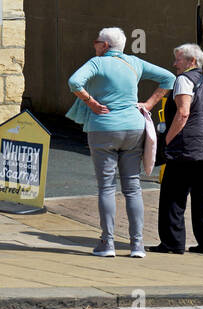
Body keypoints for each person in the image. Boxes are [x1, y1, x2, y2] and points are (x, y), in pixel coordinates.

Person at [67, 27, 175, 258]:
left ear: (105, 45)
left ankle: (108, 244)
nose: (94, 45)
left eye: (97, 42)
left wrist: (91, 102)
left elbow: (74, 82)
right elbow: (169, 78)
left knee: (106, 187)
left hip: (104, 128)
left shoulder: (96, 63)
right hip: (134, 127)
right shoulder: (135, 63)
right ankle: (137, 245)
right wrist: (148, 104)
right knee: (133, 186)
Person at [150, 43, 203, 254]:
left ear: (191, 62)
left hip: (188, 150)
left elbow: (183, 113)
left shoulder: (183, 80)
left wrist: (168, 140)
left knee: (173, 196)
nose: (174, 63)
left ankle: (172, 243)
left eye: (178, 59)